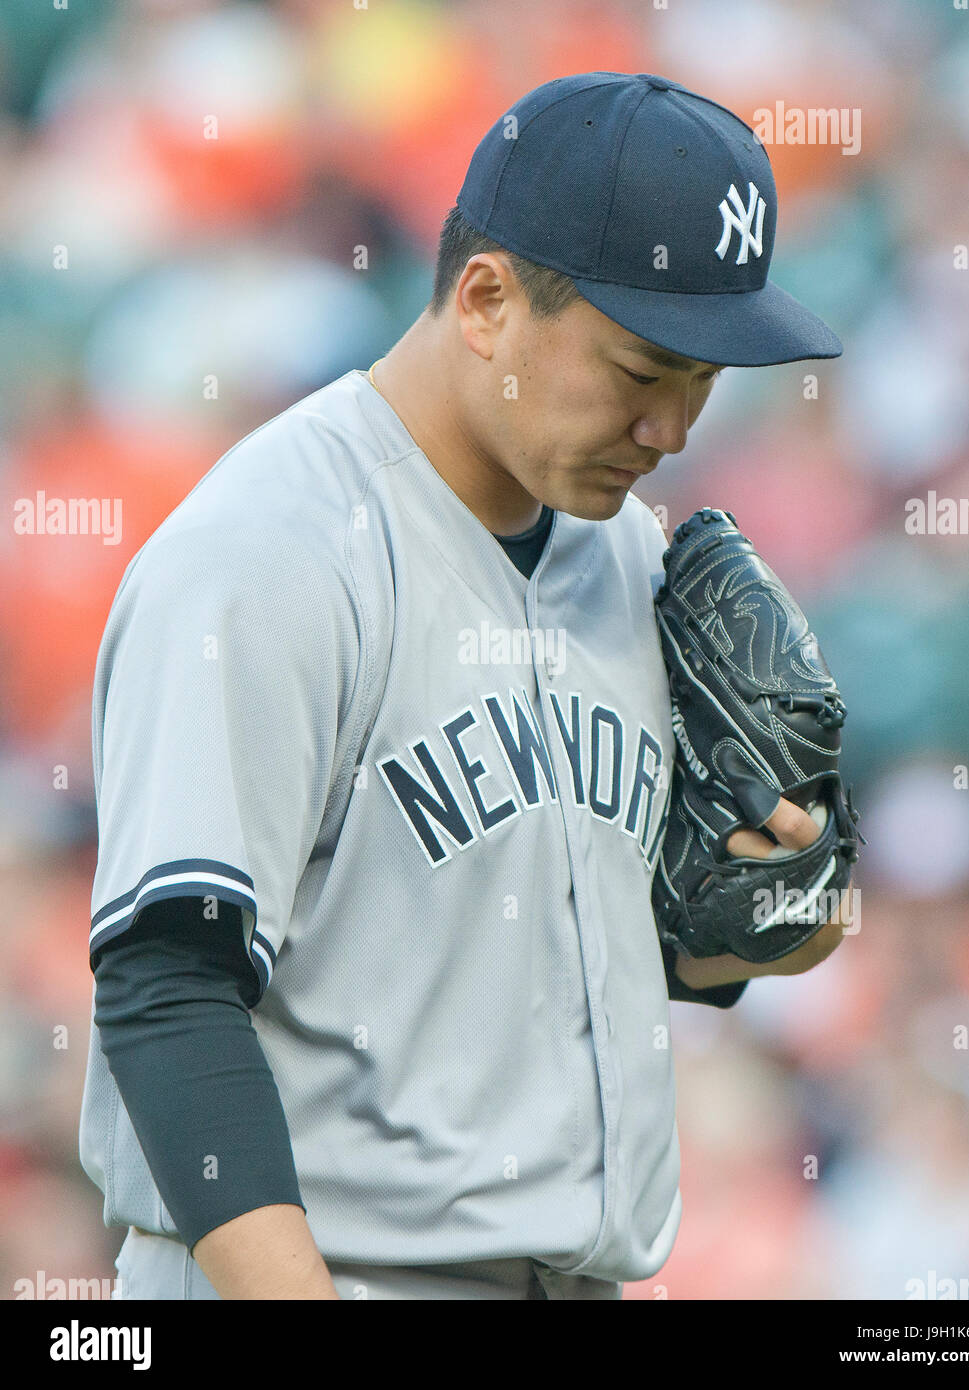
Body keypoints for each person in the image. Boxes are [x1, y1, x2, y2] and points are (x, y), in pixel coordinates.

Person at [79, 72, 847, 1302]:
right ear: (485, 299)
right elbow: (169, 987)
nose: (672, 429)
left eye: (705, 379)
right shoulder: (268, 550)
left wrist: (752, 931)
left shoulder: (633, 555)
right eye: (642, 368)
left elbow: (567, 958)